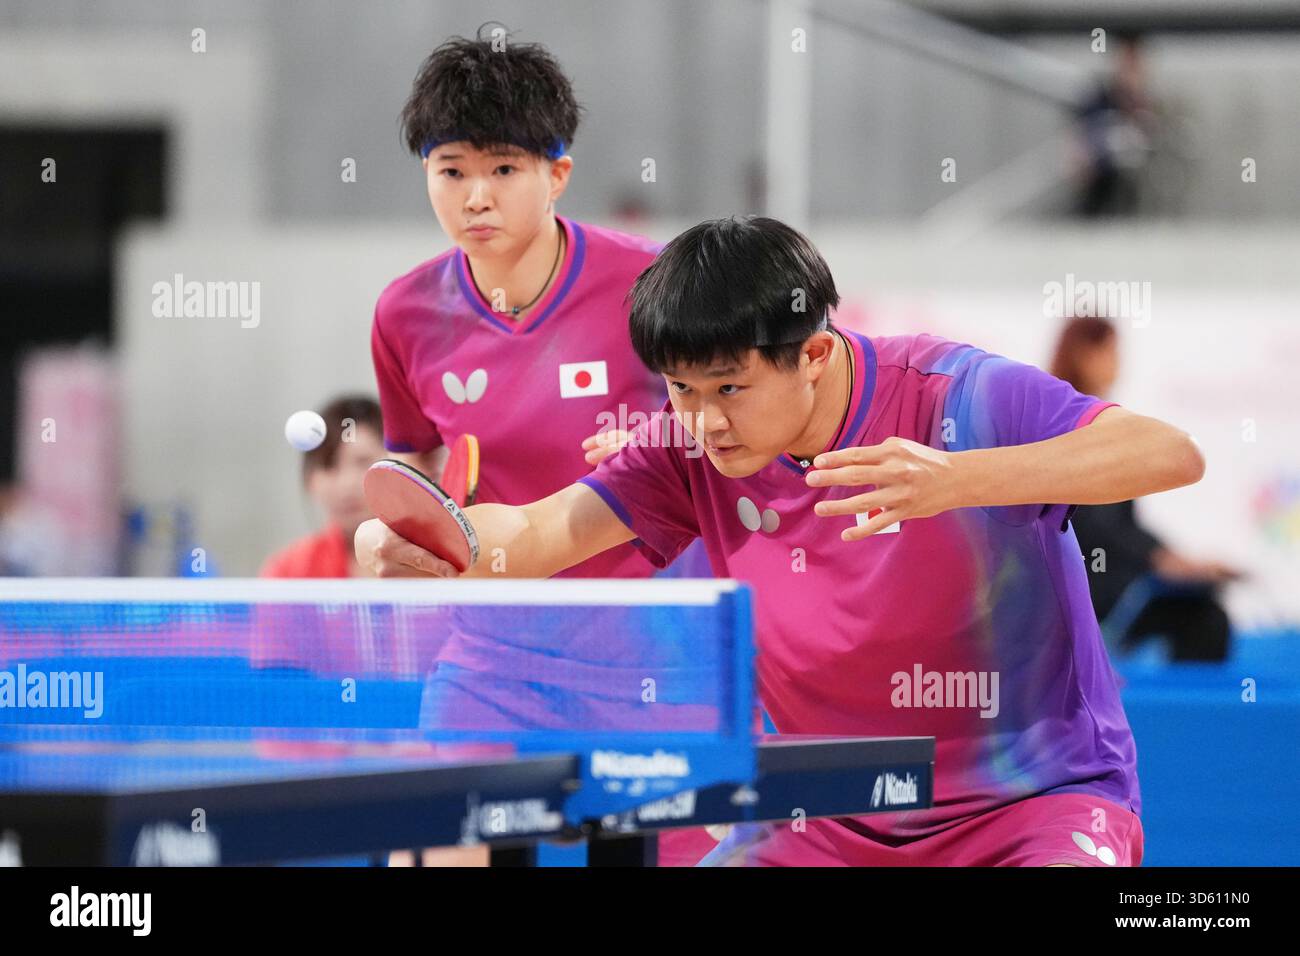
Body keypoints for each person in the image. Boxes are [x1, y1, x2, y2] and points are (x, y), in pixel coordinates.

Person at [358, 216, 1208, 867]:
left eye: (731, 386)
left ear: (814, 353)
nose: (704, 418)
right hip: (825, 814)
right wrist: (444, 542)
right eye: (682, 389)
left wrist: (958, 479)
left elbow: (1168, 453)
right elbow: (540, 533)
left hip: (1030, 805)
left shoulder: (954, 394)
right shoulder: (689, 442)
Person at [373, 28, 711, 865]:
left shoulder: (654, 286)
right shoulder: (403, 315)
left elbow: (739, 429)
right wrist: (380, 537)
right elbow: (412, 476)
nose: (475, 197)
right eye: (450, 171)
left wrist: (659, 434)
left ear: (557, 173)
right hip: (489, 658)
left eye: (503, 169)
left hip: (642, 661)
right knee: (437, 848)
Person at [1051, 317, 1239, 661]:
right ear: (1084, 354)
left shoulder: (1107, 425)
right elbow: (1089, 522)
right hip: (1086, 583)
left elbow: (1124, 521)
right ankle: (1192, 714)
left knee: (1204, 611)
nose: (1118, 363)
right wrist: (1159, 559)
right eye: (1111, 351)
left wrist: (1174, 559)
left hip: (1120, 577)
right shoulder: (1060, 424)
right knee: (1206, 620)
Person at [260, 395, 384, 579]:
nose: (347, 484)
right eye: (329, 465)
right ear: (309, 480)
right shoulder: (288, 573)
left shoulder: (432, 564)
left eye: (362, 462)